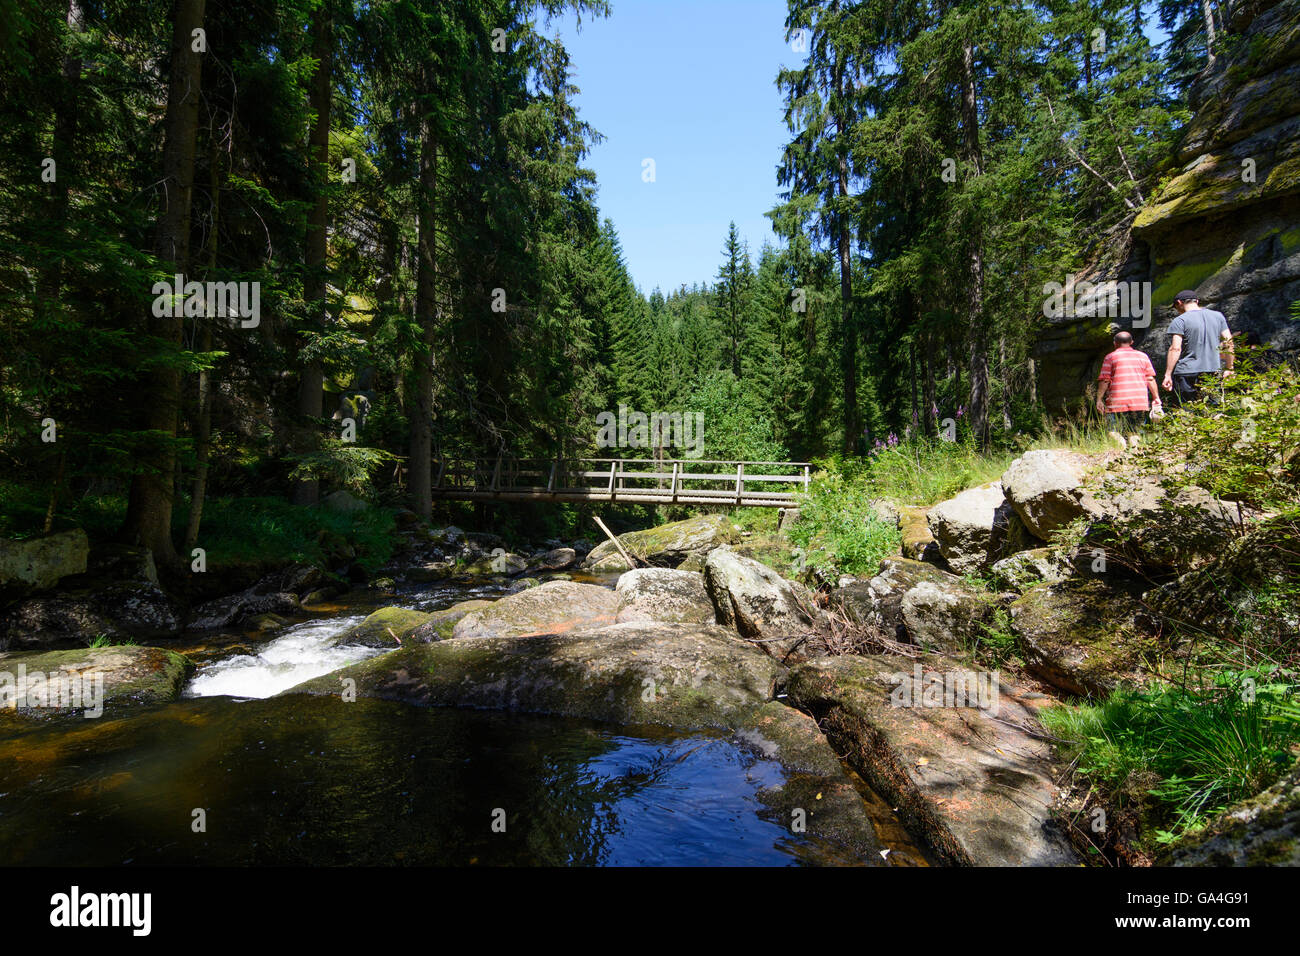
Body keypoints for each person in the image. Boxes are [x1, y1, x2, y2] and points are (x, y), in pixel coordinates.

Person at [1162, 290, 1233, 406]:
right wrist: (1230, 368)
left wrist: (1168, 374)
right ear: (1197, 301)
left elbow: (1175, 348)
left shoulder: (1180, 320)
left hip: (1186, 372)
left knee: (1186, 410)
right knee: (1213, 408)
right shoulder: (1218, 316)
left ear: (1179, 303)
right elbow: (1229, 342)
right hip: (1212, 370)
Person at [1096, 330, 1160, 450]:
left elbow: (1105, 380)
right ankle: (1134, 455)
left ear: (1115, 343)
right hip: (1138, 401)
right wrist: (1156, 398)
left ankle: (1122, 449)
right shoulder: (1143, 356)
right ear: (1131, 342)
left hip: (1116, 402)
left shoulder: (1110, 357)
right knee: (1135, 432)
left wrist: (1099, 399)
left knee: (1112, 430)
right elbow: (1150, 379)